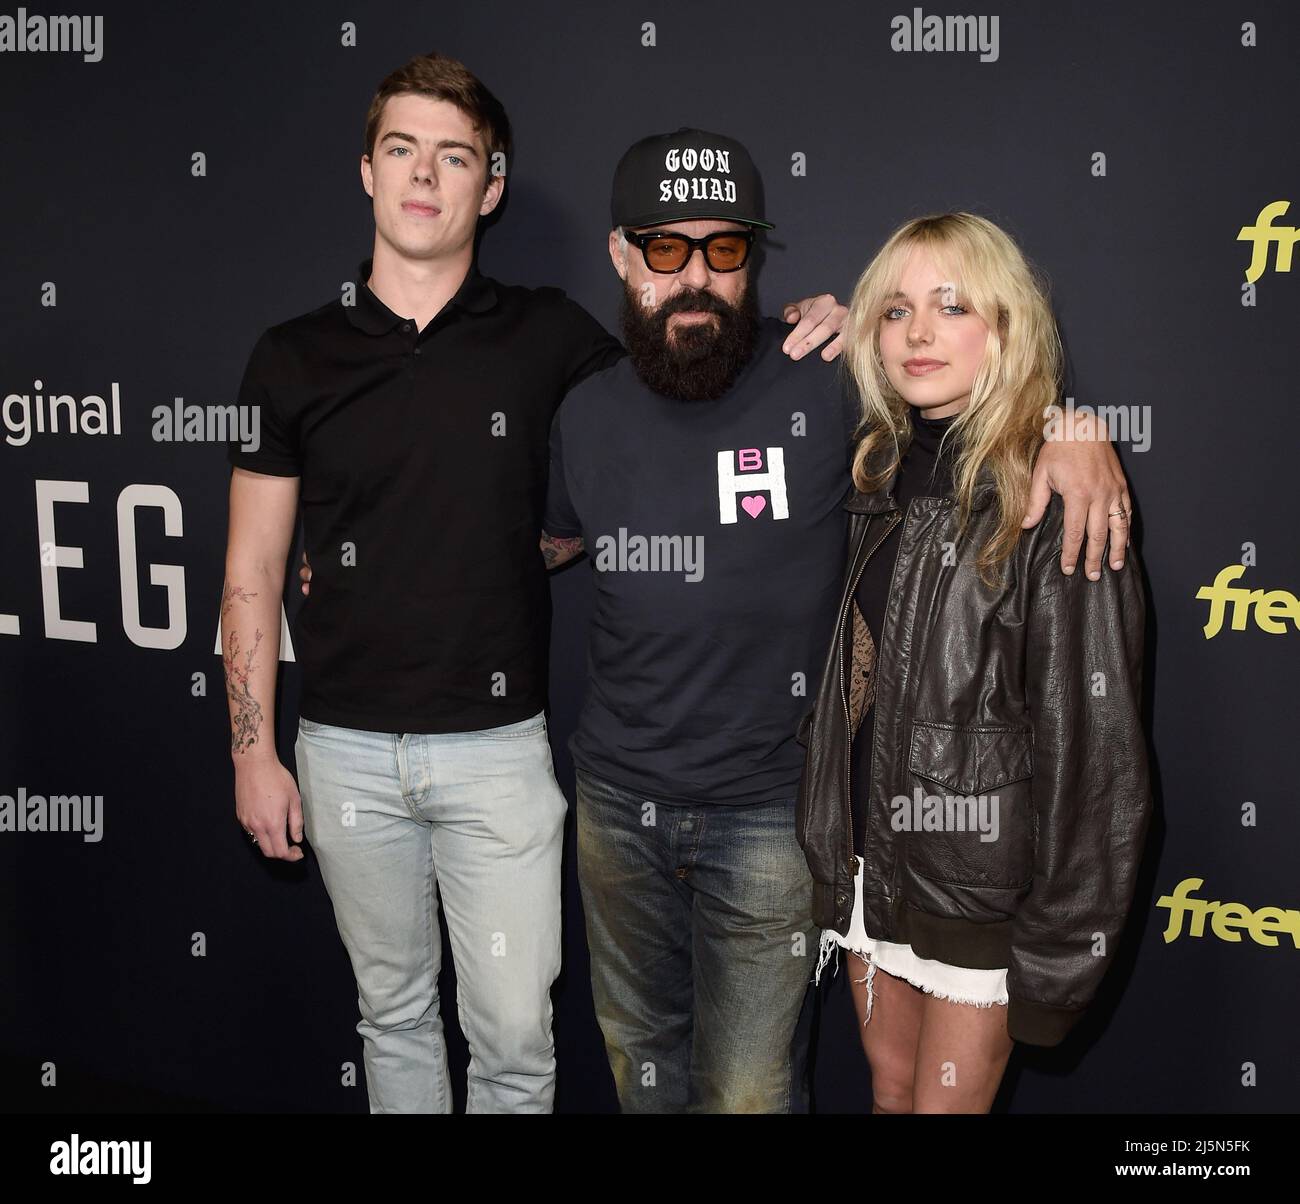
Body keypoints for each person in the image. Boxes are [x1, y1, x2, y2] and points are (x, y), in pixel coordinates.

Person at [225, 54, 843, 1114]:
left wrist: (1055, 432)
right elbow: (251, 568)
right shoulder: (289, 357)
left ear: (490, 185)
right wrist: (251, 750)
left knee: (531, 1039)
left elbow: (701, 381)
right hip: (344, 752)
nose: (426, 176)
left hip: (511, 755)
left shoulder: (560, 340)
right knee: (394, 1016)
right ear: (367, 171)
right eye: (403, 150)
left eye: (454, 156)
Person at [537, 136, 1135, 1113]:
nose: (695, 274)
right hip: (617, 806)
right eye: (665, 249)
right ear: (619, 256)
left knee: (750, 1092)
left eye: (723, 249)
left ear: (753, 258)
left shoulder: (824, 378)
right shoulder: (584, 413)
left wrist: (1069, 428)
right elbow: (547, 542)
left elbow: (975, 379)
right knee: (640, 1064)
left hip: (776, 813)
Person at [795, 212, 1152, 1114]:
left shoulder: (1055, 493)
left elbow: (1098, 754)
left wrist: (1062, 951)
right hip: (875, 870)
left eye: (952, 306)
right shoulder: (874, 472)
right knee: (890, 1089)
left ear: (1005, 325)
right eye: (896, 309)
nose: (918, 333)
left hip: (983, 893)